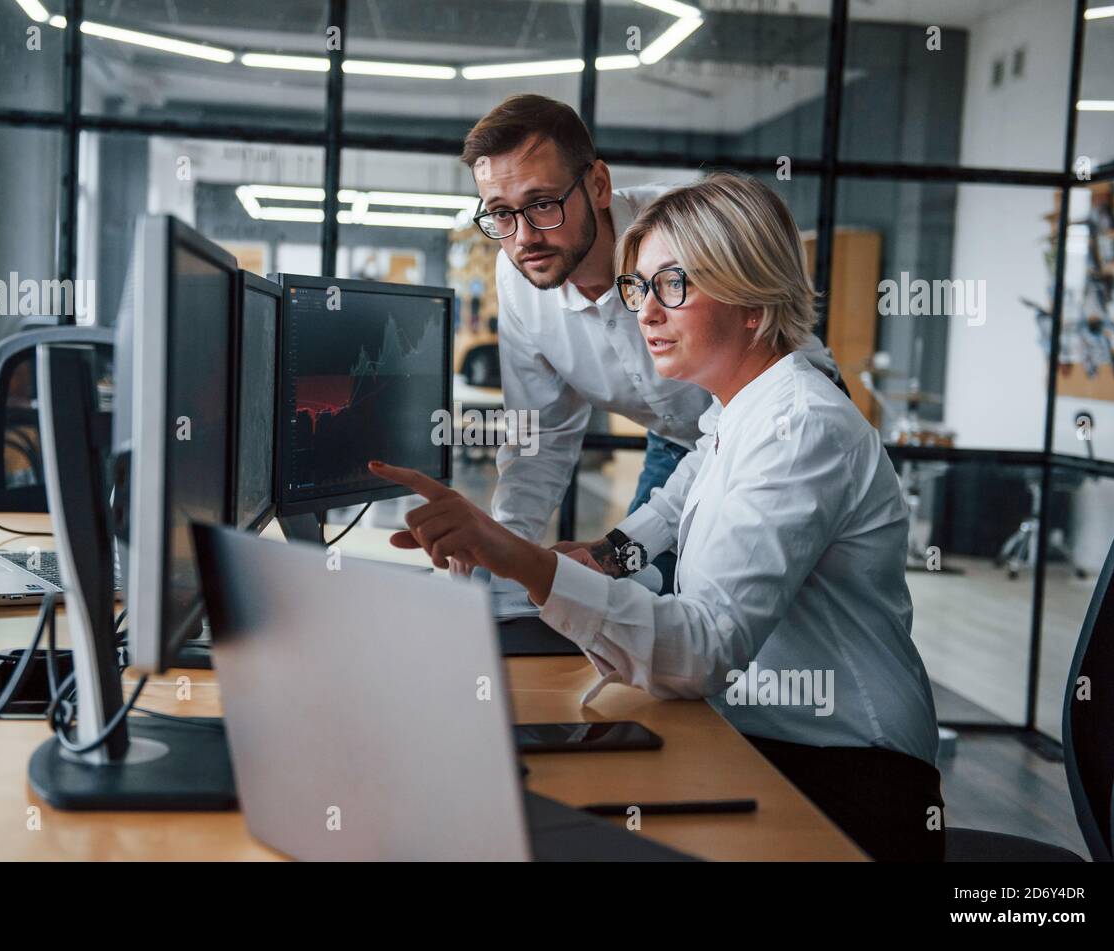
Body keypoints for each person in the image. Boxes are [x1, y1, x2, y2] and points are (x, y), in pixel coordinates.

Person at [371, 173, 945, 862]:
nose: (645, 312)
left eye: (674, 285)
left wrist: (520, 556)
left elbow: (703, 648)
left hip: (853, 774)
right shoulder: (739, 406)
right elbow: (679, 496)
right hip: (768, 734)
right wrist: (603, 557)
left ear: (754, 300)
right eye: (638, 288)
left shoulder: (799, 426)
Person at [461, 94, 841, 590]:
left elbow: (752, 398)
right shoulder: (519, 278)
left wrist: (610, 555)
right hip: (676, 444)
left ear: (599, 184)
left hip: (773, 422)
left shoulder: (682, 232)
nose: (522, 238)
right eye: (501, 214)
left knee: (762, 605)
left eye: (541, 205)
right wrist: (506, 558)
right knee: (635, 589)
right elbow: (543, 434)